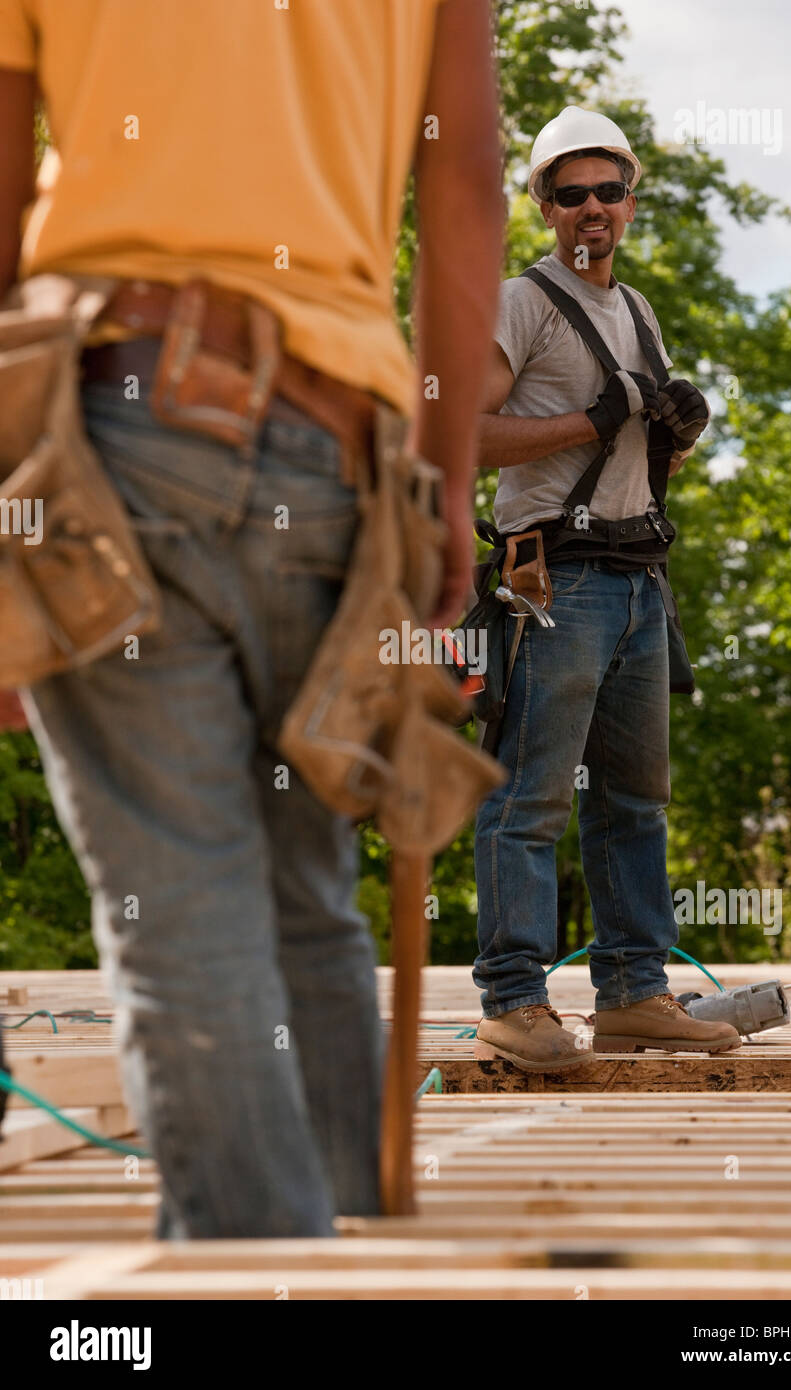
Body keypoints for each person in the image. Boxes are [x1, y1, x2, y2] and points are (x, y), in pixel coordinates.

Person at [0, 0, 503, 1236]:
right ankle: (344, 1265)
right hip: (334, 454)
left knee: (184, 921)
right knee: (302, 901)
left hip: (116, 419)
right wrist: (442, 478)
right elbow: (467, 175)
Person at [472, 106, 740, 1069]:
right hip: (555, 580)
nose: (593, 209)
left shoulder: (637, 311)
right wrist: (591, 419)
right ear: (544, 204)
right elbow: (464, 433)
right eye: (572, 192)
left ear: (630, 200)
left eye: (608, 191)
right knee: (528, 798)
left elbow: (637, 447)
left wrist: (674, 426)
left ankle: (632, 991)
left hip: (636, 580)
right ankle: (512, 1000)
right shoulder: (521, 301)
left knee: (634, 800)